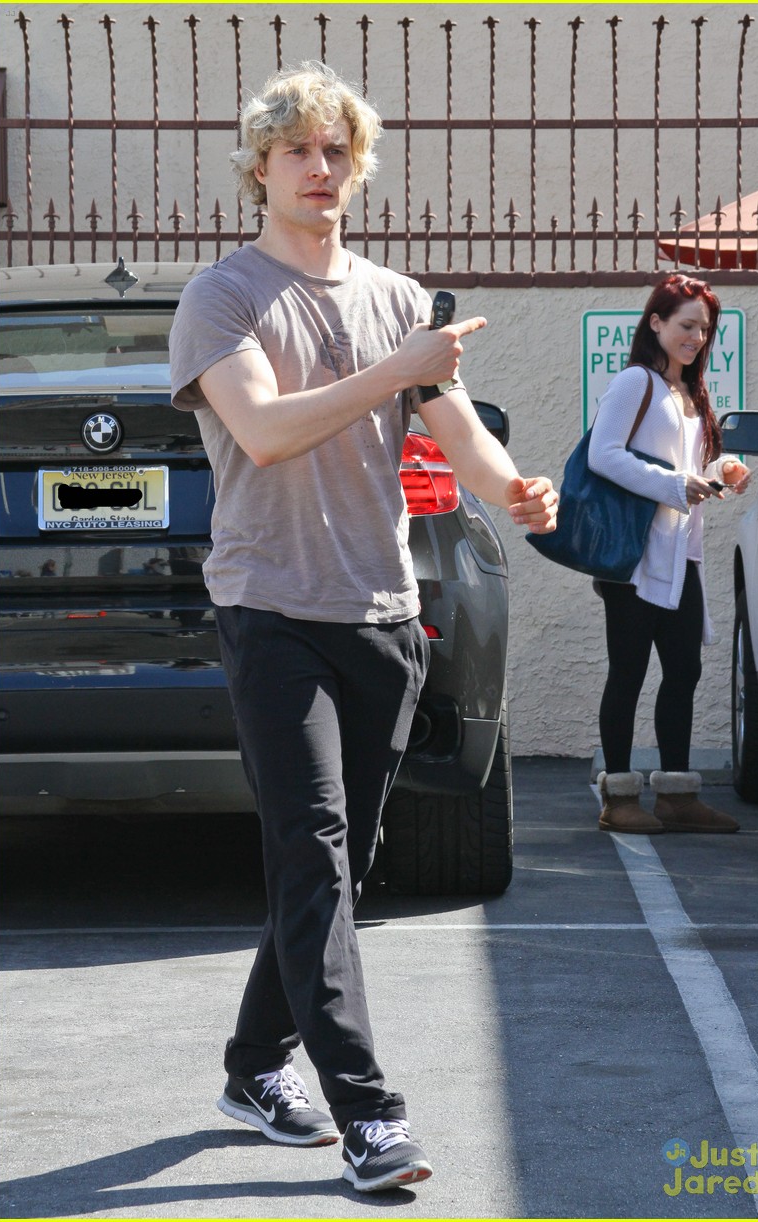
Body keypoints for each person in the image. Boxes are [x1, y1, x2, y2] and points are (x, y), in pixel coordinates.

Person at [167, 60, 557, 1193]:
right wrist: (396, 365)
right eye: (299, 150)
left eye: (337, 151)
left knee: (334, 867)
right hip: (270, 607)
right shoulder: (225, 296)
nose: (322, 168)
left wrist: (510, 488)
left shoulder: (396, 296)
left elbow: (453, 432)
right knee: (312, 847)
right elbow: (269, 429)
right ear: (261, 166)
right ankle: (371, 1112)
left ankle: (252, 1064)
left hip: (381, 615)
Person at [588, 274, 750, 835]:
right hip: (633, 558)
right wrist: (678, 485)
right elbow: (603, 455)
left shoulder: (692, 394)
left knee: (684, 669)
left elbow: (682, 470)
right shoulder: (635, 381)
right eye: (686, 325)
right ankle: (619, 797)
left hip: (682, 555)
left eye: (704, 329)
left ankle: (678, 796)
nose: (697, 337)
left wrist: (718, 473)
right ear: (655, 323)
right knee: (628, 673)